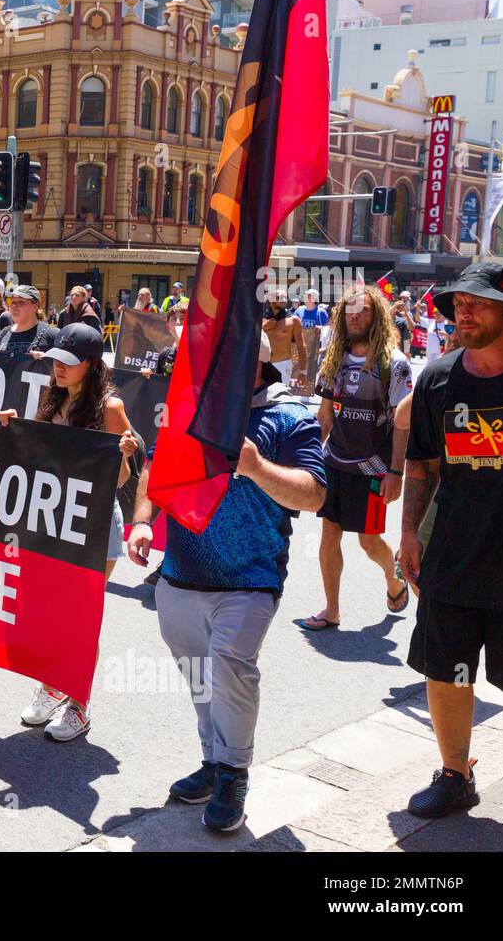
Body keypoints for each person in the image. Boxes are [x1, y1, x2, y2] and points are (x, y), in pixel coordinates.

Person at [128, 331, 326, 832]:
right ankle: (214, 761)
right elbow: (154, 465)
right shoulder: (188, 409)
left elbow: (314, 495)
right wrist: (144, 520)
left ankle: (235, 774)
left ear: (250, 367)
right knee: (199, 674)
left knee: (231, 669)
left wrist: (257, 467)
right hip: (180, 574)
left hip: (249, 577)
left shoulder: (289, 416)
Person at [399, 262, 503, 819]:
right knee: (447, 668)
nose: (463, 310)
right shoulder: (438, 379)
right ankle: (455, 775)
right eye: (458, 302)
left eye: (480, 302)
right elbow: (421, 462)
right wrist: (407, 534)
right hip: (454, 553)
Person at [0, 323, 138, 741]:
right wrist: (12, 427)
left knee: (80, 616)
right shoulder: (49, 397)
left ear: (92, 366)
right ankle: (52, 684)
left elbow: (119, 480)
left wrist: (124, 457)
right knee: (47, 610)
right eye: (56, 361)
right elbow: (37, 457)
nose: (59, 370)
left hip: (95, 523)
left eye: (69, 364)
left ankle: (79, 702)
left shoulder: (109, 409)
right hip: (53, 520)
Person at [300, 286, 413, 630]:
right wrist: (306, 461)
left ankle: (394, 579)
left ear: (376, 314)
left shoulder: (395, 364)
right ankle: (331, 609)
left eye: (362, 310)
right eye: (349, 311)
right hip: (335, 460)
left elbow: (402, 424)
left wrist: (396, 472)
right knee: (329, 533)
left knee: (368, 542)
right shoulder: (333, 359)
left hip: (374, 466)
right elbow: (324, 417)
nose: (355, 316)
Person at [0, 284, 57, 358]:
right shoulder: (4, 333)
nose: (14, 305)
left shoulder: (52, 334)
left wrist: (48, 361)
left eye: (21, 302)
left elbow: (65, 366)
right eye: (12, 301)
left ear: (35, 306)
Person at [261, 286, 307, 387]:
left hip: (282, 365)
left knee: (279, 398)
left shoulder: (293, 320)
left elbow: (301, 346)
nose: (283, 299)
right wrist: (262, 328)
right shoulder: (261, 319)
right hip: (262, 364)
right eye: (279, 297)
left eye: (285, 297)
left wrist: (303, 372)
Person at [140, 301, 186, 377]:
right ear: (168, 326)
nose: (178, 322)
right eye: (174, 318)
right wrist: (148, 375)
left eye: (183, 318)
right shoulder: (165, 354)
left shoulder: (202, 355)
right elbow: (158, 385)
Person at [297, 289, 328, 393]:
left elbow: (326, 329)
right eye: (305, 296)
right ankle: (297, 388)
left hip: (314, 345)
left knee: (312, 367)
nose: (306, 299)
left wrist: (320, 328)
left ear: (315, 298)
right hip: (301, 344)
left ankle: (309, 389)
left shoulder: (321, 312)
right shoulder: (299, 310)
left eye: (309, 296)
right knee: (299, 366)